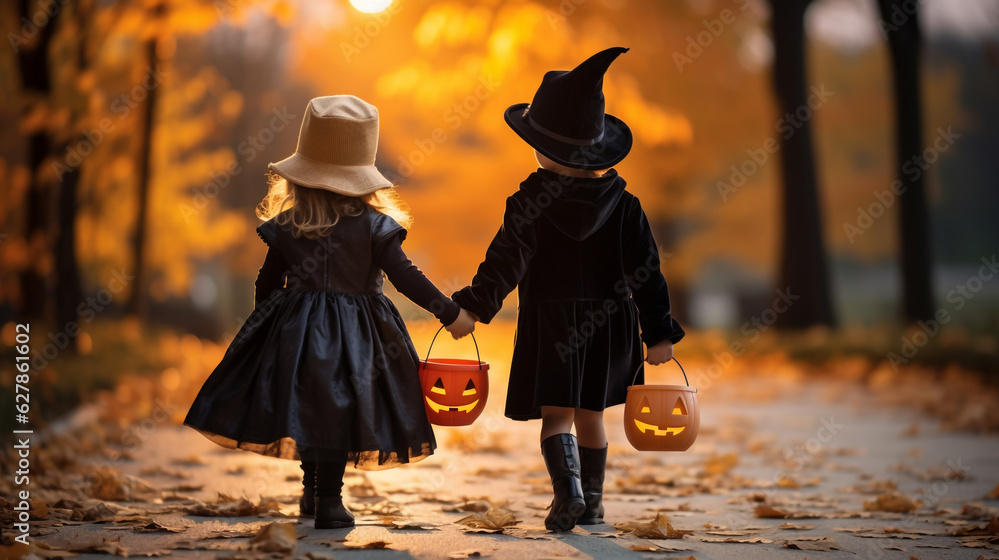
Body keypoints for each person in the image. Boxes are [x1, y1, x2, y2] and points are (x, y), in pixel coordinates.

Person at [184, 95, 476, 529]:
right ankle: (328, 500)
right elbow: (406, 277)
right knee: (339, 407)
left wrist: (266, 324)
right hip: (361, 335)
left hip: (296, 329)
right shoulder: (376, 226)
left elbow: (267, 282)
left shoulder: (291, 223)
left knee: (311, 403)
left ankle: (311, 490)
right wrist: (451, 314)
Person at [450, 47, 685, 531]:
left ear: (544, 149)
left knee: (556, 417)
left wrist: (474, 307)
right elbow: (647, 270)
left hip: (552, 320)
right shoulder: (626, 206)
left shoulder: (527, 202)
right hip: (609, 324)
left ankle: (568, 494)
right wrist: (658, 332)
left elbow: (504, 261)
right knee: (591, 415)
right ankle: (593, 502)